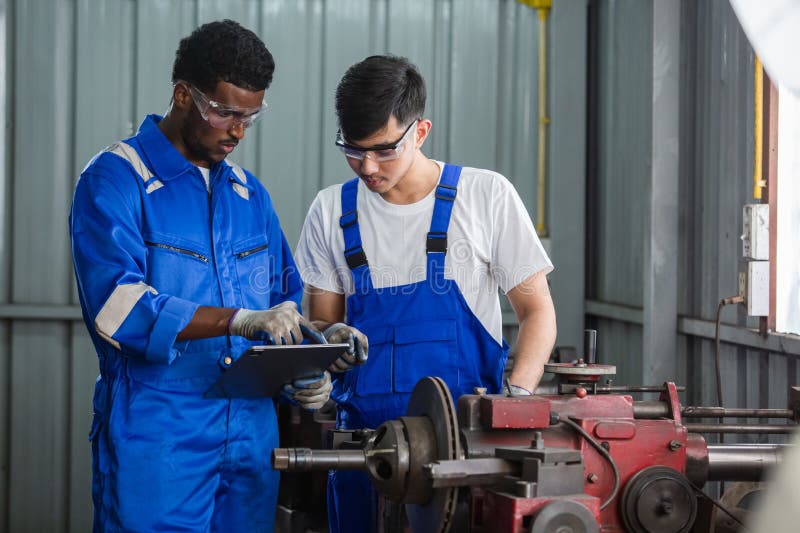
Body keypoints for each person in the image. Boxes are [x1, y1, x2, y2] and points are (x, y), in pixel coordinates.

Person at [70, 20, 337, 532]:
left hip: (251, 440)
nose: (237, 130)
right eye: (225, 112)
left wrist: (309, 359)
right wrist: (239, 320)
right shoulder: (115, 180)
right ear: (183, 96)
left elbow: (281, 303)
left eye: (250, 117)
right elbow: (117, 308)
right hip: (159, 436)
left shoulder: (248, 195)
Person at [294, 54, 558, 532]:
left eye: (383, 149)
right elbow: (321, 325)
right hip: (366, 457)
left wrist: (516, 400)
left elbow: (537, 309)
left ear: (420, 131)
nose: (367, 166)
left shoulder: (485, 197)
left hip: (465, 457)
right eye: (352, 149)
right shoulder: (331, 210)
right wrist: (319, 357)